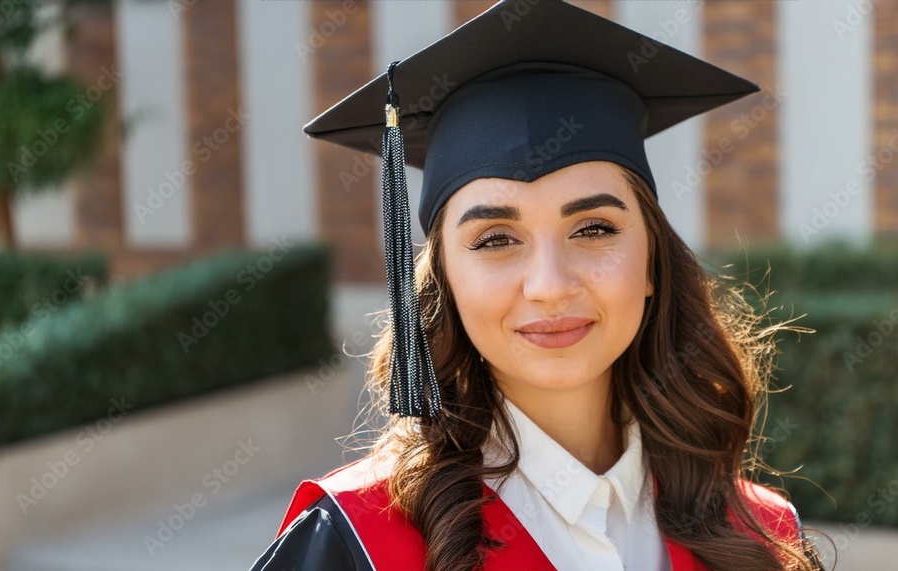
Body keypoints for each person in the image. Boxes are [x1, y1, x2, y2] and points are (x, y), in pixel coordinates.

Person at [251, 1, 827, 570]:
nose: (550, 285)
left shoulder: (761, 536)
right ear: (444, 278)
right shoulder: (358, 541)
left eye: (594, 229)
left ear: (652, 261)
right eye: (495, 239)